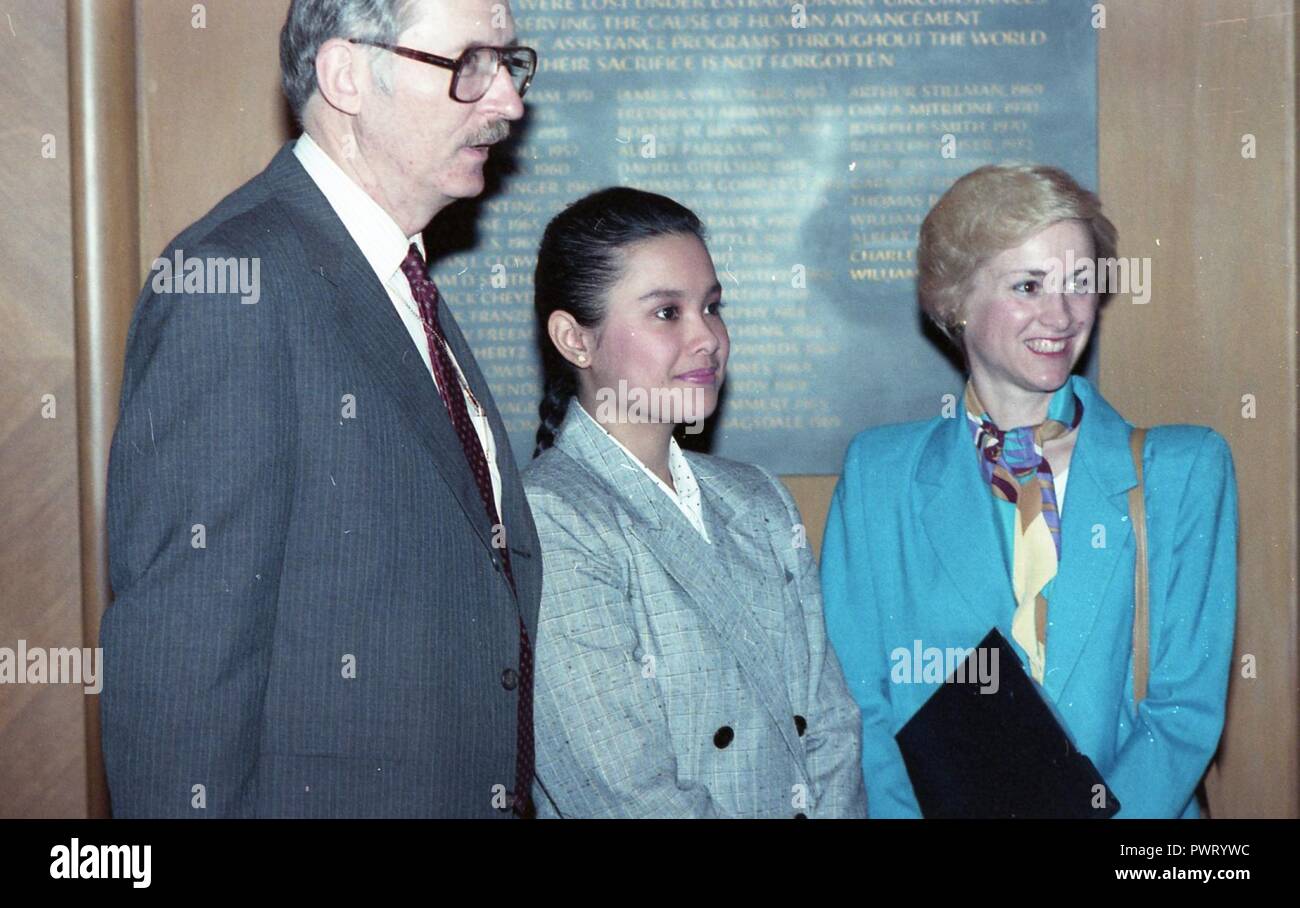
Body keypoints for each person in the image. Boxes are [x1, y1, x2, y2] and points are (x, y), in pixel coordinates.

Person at [101, 0, 542, 818]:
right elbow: (183, 673)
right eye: (469, 64)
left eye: (510, 64)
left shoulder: (394, 277)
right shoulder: (235, 284)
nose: (508, 101)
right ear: (347, 76)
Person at [821, 164, 1237, 818]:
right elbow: (863, 714)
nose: (1063, 314)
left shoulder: (1181, 470)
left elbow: (1183, 714)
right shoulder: (881, 477)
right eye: (1028, 285)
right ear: (956, 300)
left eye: (1079, 283)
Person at [523, 187, 866, 818]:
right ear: (576, 340)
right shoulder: (552, 517)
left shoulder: (759, 501)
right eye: (666, 313)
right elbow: (623, 796)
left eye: (712, 307)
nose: (707, 336)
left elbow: (831, 729)